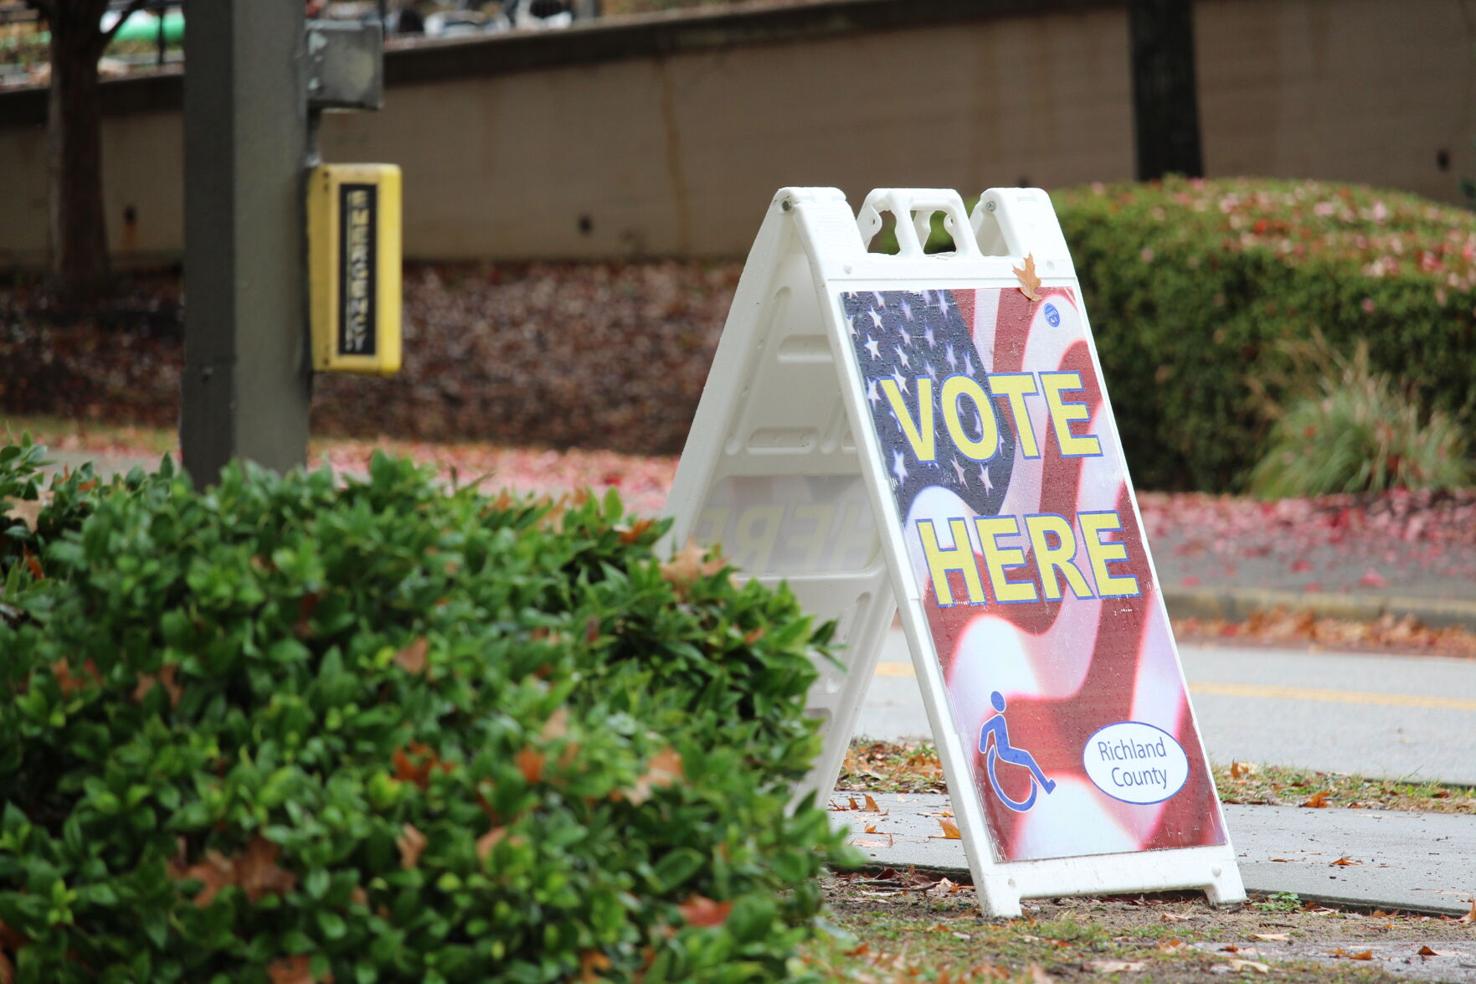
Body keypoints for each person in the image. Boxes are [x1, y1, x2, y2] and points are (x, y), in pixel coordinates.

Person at [979, 691, 1056, 794]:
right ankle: (1045, 785)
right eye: (999, 703)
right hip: (1004, 751)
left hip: (1008, 749)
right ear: (995, 704)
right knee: (1027, 758)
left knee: (1027, 757)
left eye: (1002, 702)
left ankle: (1045, 784)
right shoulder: (997, 719)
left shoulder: (1005, 716)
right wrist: (982, 748)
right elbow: (985, 729)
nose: (1001, 705)